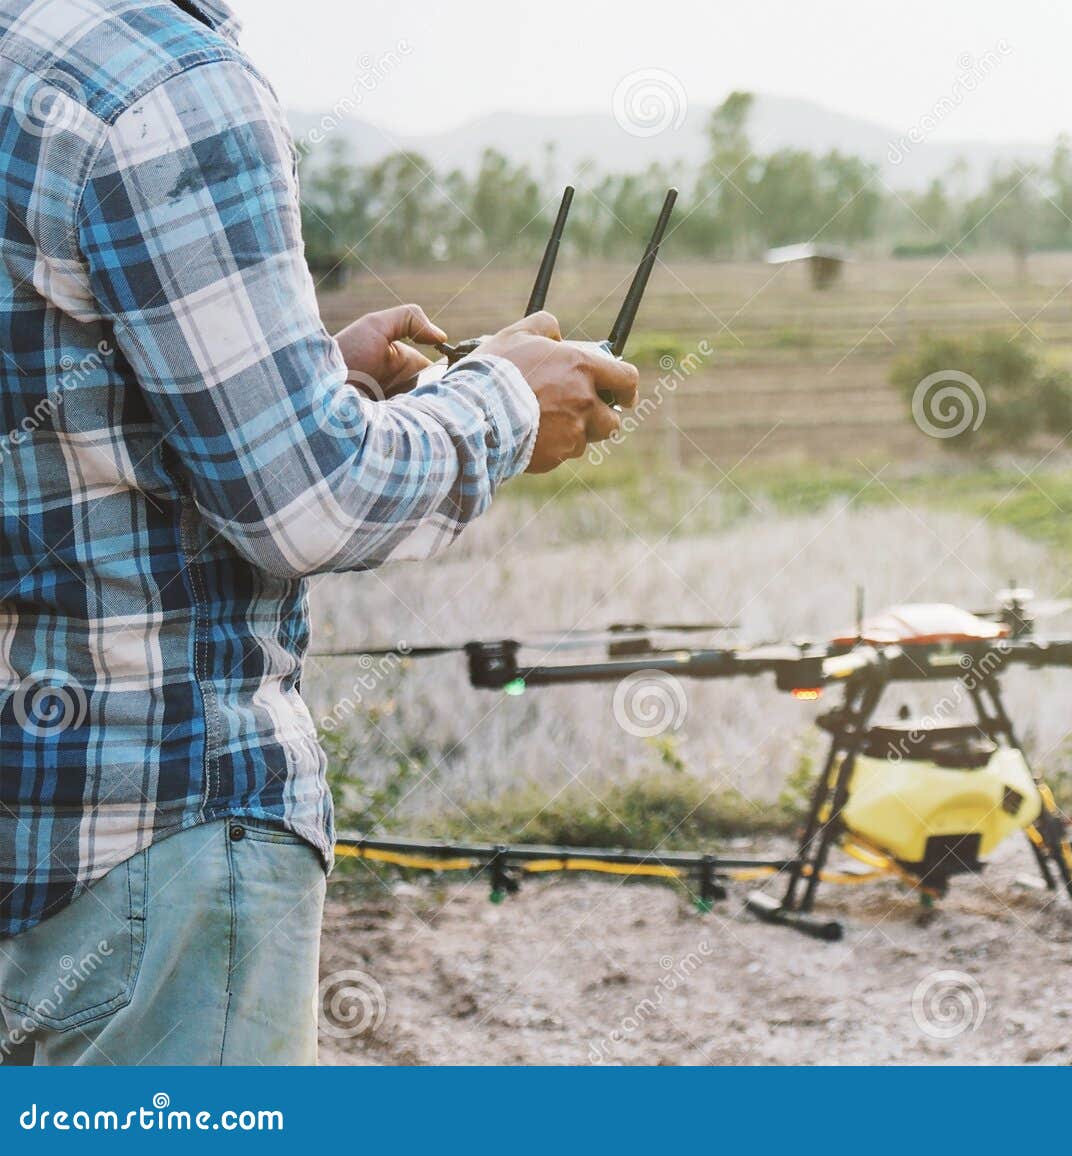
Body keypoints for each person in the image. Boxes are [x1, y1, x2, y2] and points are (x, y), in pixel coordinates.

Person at [0, 0, 638, 1064]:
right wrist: (507, 403)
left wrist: (312, 383)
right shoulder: (163, 81)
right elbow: (309, 504)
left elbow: (60, 440)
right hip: (166, 828)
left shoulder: (29, 52)